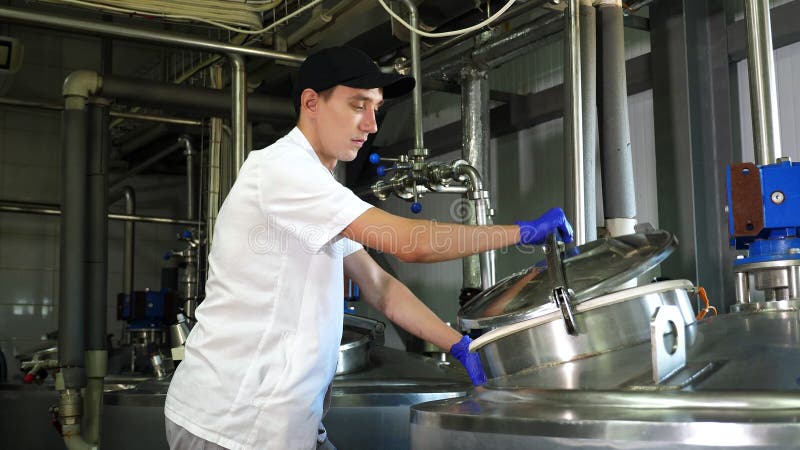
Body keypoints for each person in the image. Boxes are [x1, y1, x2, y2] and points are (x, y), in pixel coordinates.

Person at [164, 46, 573, 450]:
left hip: (280, 421)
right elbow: (411, 243)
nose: (371, 124)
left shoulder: (316, 188)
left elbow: (381, 287)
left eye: (375, 108)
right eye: (358, 105)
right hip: (232, 423)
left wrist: (458, 344)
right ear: (311, 103)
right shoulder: (282, 170)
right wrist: (521, 232)